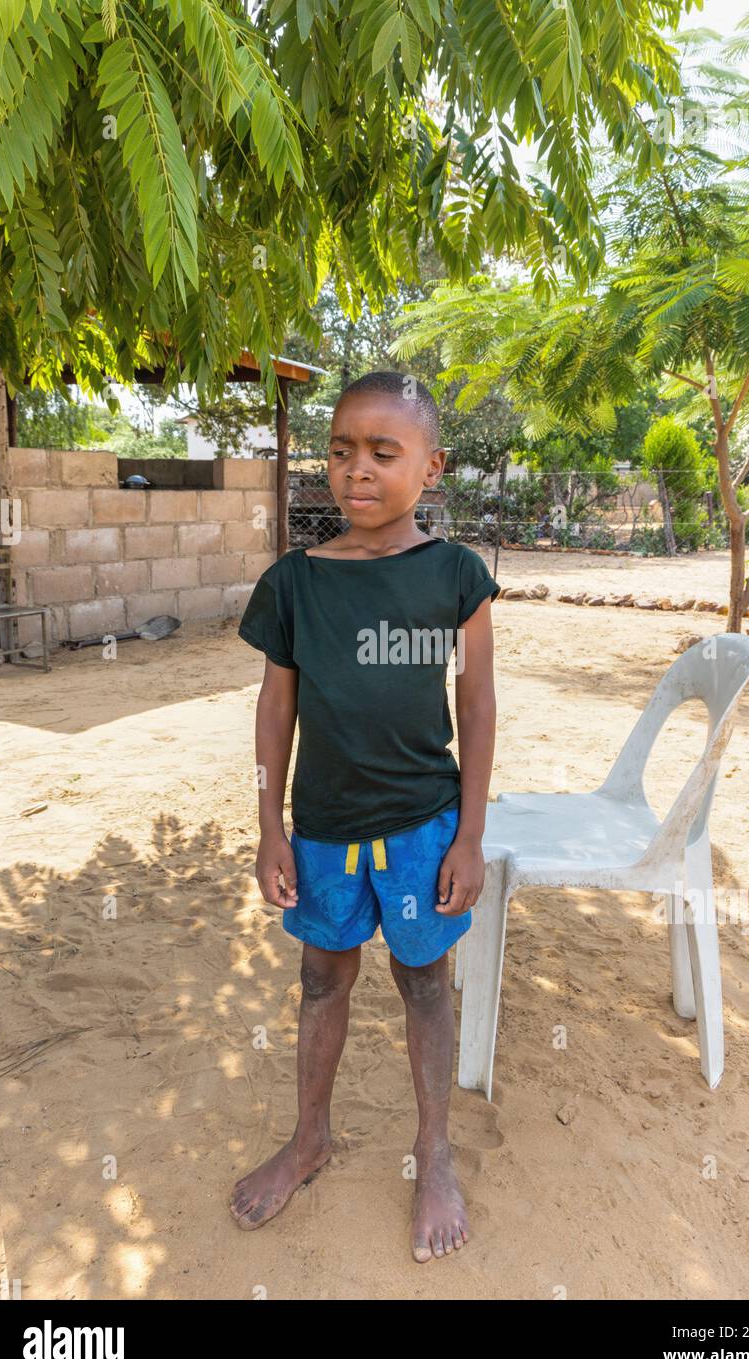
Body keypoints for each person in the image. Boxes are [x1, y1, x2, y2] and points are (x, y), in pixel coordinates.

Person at [229, 370, 500, 1262]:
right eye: (341, 450)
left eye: (384, 452)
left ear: (431, 467)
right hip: (323, 829)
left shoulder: (455, 576)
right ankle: (309, 1137)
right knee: (320, 980)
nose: (358, 469)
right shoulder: (293, 583)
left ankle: (435, 1154)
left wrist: (469, 836)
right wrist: (270, 827)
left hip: (422, 827)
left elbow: (476, 704)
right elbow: (275, 707)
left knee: (423, 985)